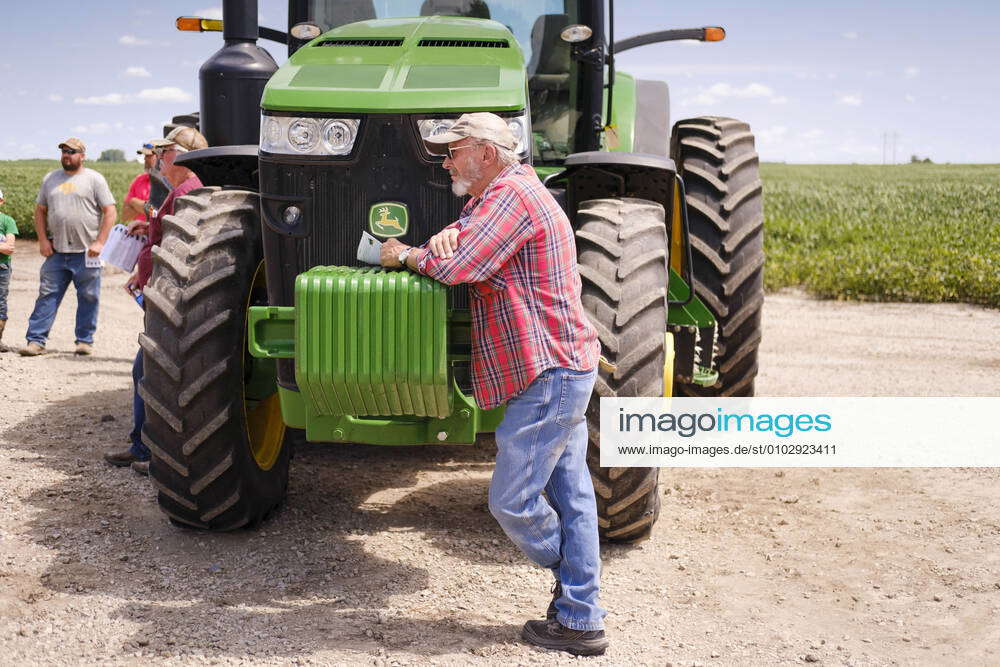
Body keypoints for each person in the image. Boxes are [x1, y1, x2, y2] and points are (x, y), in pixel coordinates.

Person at [379, 113, 608, 656]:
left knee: (512, 501)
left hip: (549, 370)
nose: (446, 161)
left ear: (484, 152)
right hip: (561, 366)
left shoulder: (511, 198)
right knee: (571, 496)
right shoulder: (499, 198)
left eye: (453, 151)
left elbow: (459, 263)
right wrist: (439, 248)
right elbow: (458, 245)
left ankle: (574, 584)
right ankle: (581, 617)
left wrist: (404, 255)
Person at [104, 125, 207, 475]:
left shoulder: (190, 192)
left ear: (180, 155)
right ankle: (142, 447)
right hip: (156, 293)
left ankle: (148, 451)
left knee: (145, 371)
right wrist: (146, 235)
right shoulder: (177, 191)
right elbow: (167, 236)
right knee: (143, 370)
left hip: (169, 300)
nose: (158, 160)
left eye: (164, 153)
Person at [20, 138, 116, 356]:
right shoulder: (50, 179)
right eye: (63, 151)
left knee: (89, 297)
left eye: (71, 151)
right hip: (56, 250)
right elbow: (40, 211)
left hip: (87, 252)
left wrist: (100, 241)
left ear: (82, 155)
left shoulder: (94, 179)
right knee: (47, 295)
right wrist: (43, 240)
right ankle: (35, 341)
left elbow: (110, 211)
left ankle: (84, 341)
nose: (66, 155)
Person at [0, 188, 18, 352]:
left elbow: (9, 248)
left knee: (0, 303)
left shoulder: (7, 221)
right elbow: (4, 246)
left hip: (2, 268)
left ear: (1, 202)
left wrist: (4, 247)